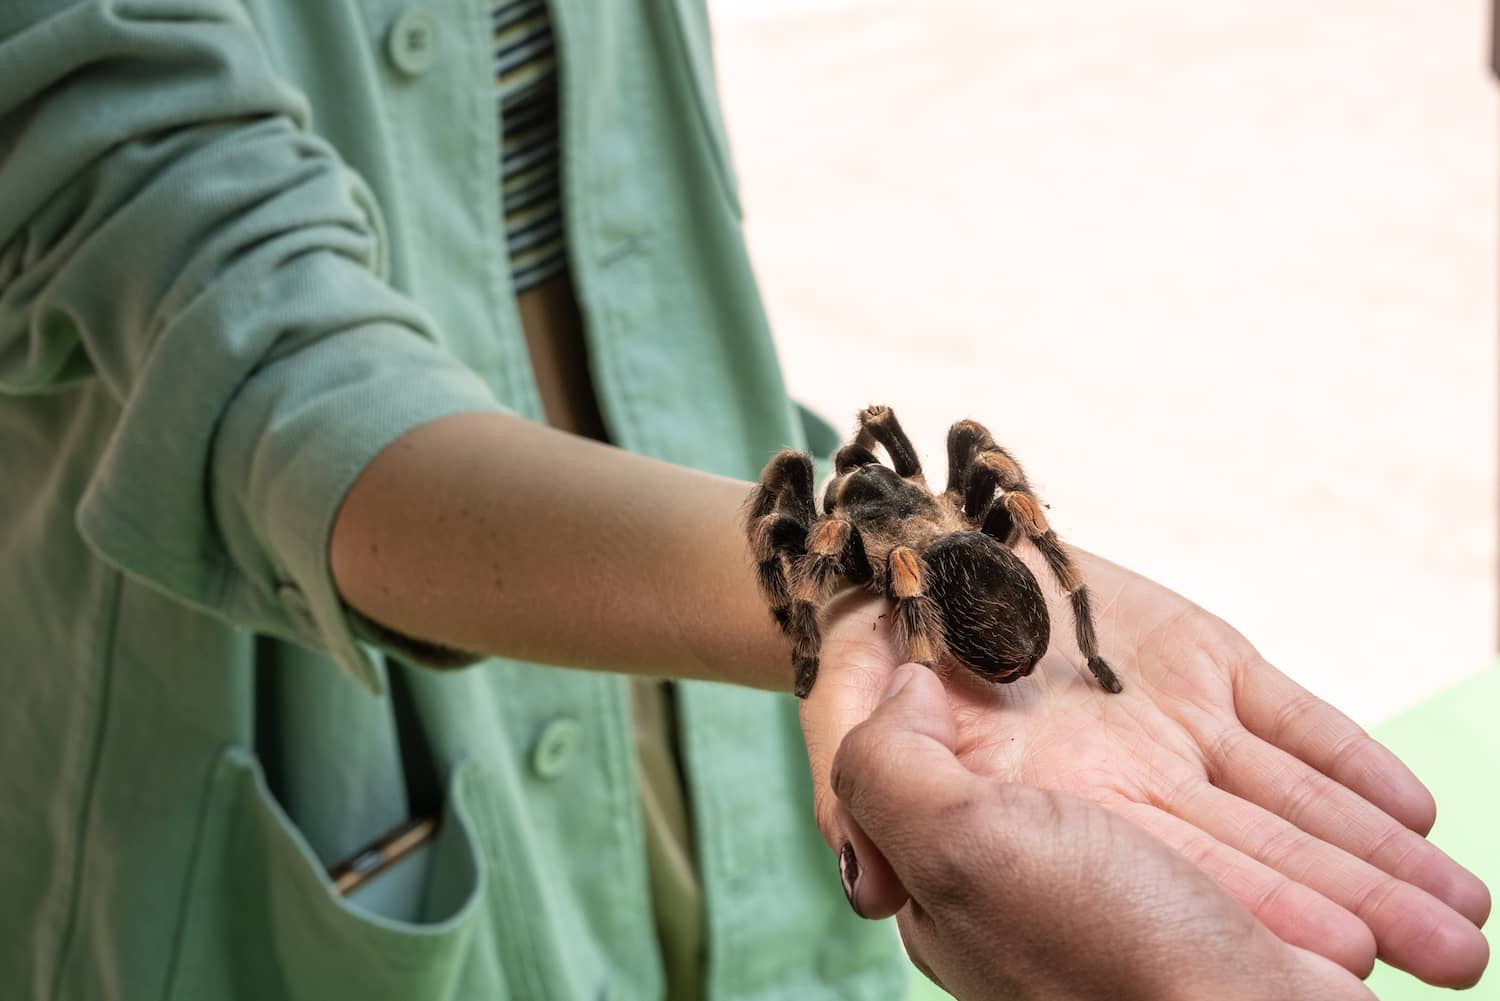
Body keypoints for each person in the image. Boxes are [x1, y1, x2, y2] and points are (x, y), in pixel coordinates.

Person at [0, 1, 1488, 999]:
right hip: (338, 682)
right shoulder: (896, 545)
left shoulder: (881, 526)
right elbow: (258, 353)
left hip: (748, 682)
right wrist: (859, 617)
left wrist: (926, 610)